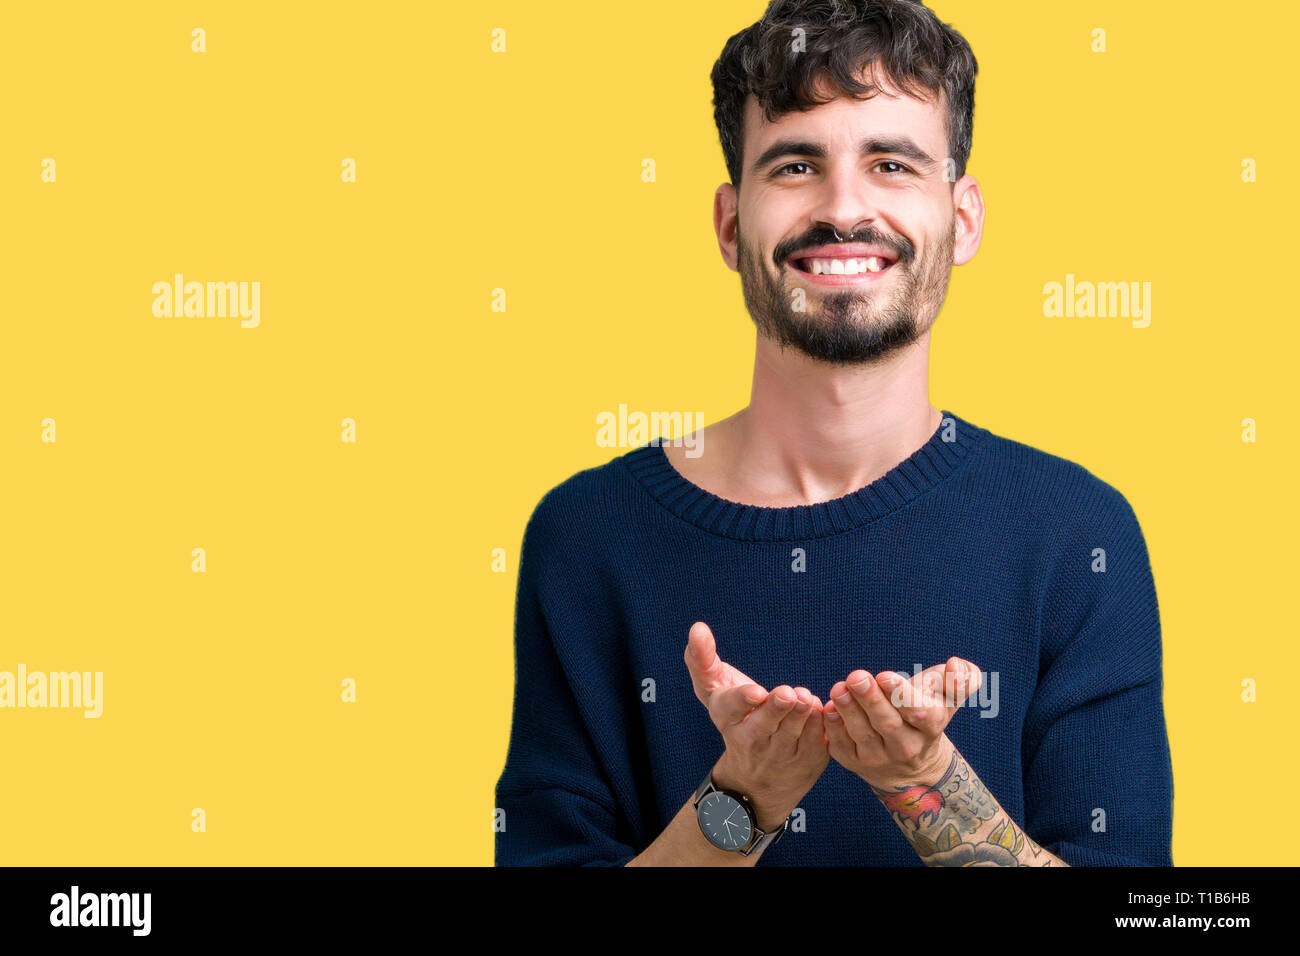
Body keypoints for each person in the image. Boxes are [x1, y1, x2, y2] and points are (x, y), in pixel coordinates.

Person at [493, 0, 1173, 866]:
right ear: (732, 225)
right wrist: (745, 797)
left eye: (891, 163)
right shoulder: (587, 535)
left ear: (963, 218)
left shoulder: (1078, 533)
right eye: (795, 166)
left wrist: (924, 781)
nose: (843, 207)